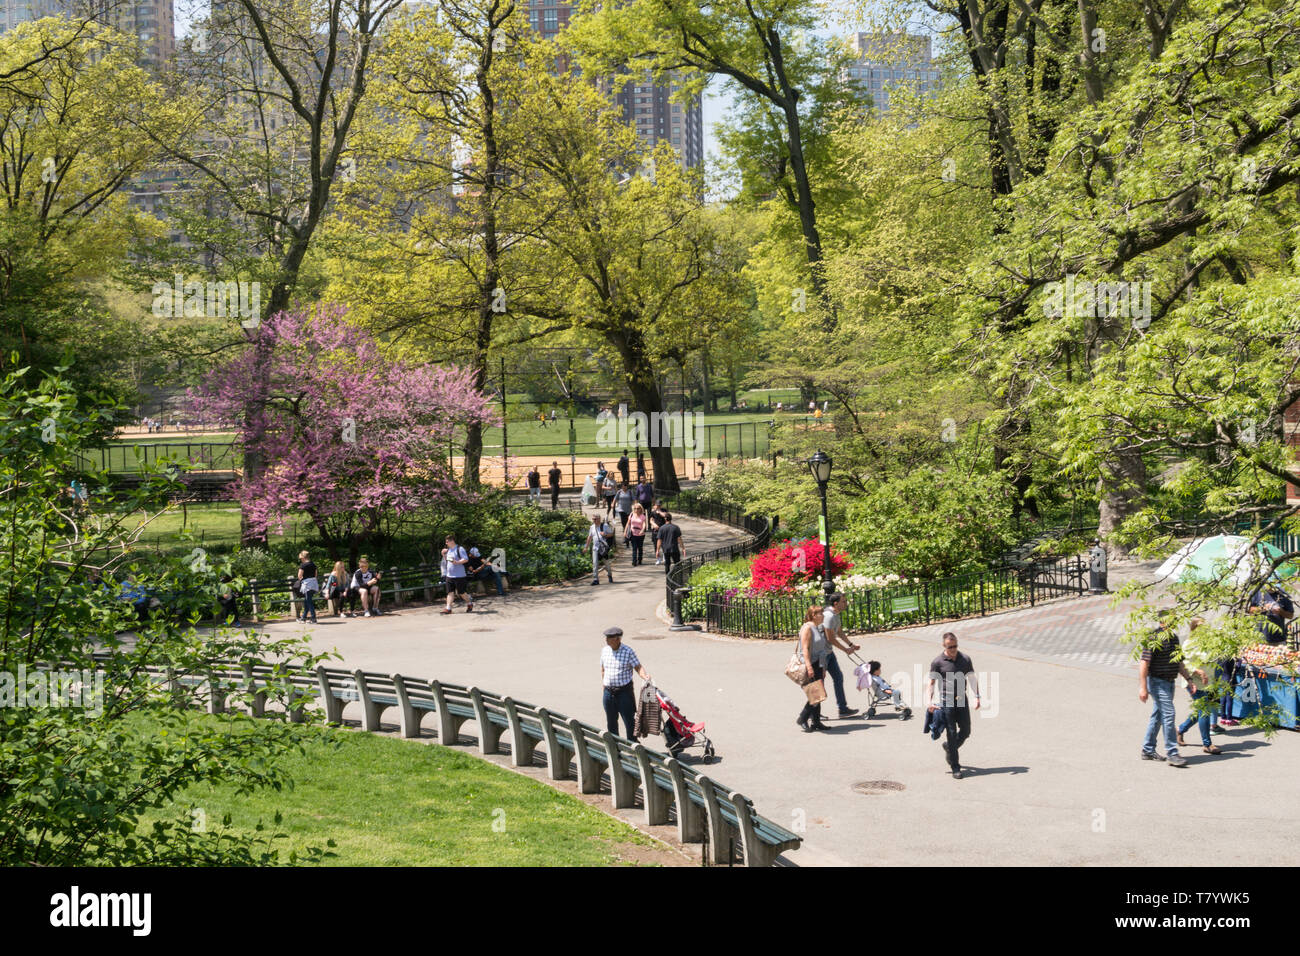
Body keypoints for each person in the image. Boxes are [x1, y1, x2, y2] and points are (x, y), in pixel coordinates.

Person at [1138, 611, 1195, 767]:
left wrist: (1188, 679)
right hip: (1157, 682)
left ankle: (1147, 749)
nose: (1172, 624)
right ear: (1162, 622)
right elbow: (1144, 664)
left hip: (1169, 682)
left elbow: (1179, 661)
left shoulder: (1174, 638)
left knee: (1158, 716)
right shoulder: (1153, 638)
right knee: (1169, 713)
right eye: (1169, 621)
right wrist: (1143, 687)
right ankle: (1172, 752)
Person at [928, 632, 981, 778]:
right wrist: (929, 701)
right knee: (951, 733)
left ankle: (950, 748)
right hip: (947, 701)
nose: (953, 649)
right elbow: (931, 683)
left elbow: (971, 678)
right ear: (944, 646)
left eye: (955, 646)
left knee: (966, 731)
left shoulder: (965, 659)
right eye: (950, 647)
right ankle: (955, 766)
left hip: (961, 698)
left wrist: (977, 696)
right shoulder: (937, 662)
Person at [1176, 619, 1223, 755]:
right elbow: (1184, 664)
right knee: (1205, 711)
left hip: (1209, 682)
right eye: (1201, 628)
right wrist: (1198, 671)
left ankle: (1181, 729)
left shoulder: (1209, 643)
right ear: (1194, 629)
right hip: (1194, 682)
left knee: (1200, 712)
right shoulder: (1189, 644)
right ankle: (1207, 744)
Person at [601, 627, 651, 738]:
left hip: (624, 692)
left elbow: (638, 667)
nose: (606, 640)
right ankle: (615, 749)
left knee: (630, 722)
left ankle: (633, 747)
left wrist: (644, 676)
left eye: (609, 637)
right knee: (611, 722)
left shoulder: (628, 651)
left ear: (617, 639)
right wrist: (604, 688)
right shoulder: (605, 650)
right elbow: (603, 669)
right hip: (608, 692)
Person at [821, 592, 860, 718]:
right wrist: (845, 650)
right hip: (820, 654)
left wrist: (851, 645)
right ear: (836, 603)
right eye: (843, 601)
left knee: (838, 677)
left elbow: (839, 632)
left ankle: (842, 709)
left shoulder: (836, 615)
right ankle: (814, 713)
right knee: (818, 683)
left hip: (828, 652)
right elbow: (830, 638)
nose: (846, 603)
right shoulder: (828, 616)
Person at [795, 606, 831, 732]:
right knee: (817, 694)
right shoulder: (807, 628)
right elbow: (804, 648)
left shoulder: (817, 627)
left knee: (817, 694)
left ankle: (816, 722)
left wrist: (823, 668)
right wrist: (809, 667)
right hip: (810, 663)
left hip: (818, 663)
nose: (823, 615)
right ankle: (803, 718)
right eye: (820, 613)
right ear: (813, 615)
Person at [440, 535, 472, 613]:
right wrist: (443, 554)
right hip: (449, 575)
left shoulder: (460, 549)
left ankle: (469, 603)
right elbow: (447, 560)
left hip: (459, 575)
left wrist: (457, 562)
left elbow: (466, 559)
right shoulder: (448, 550)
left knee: (462, 593)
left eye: (447, 541)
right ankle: (448, 608)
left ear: (452, 541)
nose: (446, 543)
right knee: (450, 592)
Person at [586, 513, 615, 585]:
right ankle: (596, 579)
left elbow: (611, 534)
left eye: (595, 519)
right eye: (593, 519)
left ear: (599, 519)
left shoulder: (604, 526)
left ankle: (609, 575)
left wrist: (605, 534)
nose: (594, 521)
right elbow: (589, 537)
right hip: (595, 548)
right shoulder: (592, 527)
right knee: (595, 563)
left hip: (603, 548)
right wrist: (586, 547)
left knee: (606, 563)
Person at [296, 550, 319, 624]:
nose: (301, 559)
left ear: (303, 558)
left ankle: (313, 618)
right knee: (307, 601)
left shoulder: (303, 565)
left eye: (301, 558)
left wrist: (303, 579)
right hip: (314, 584)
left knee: (309, 601)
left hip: (307, 584)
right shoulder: (313, 564)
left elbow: (299, 576)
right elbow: (315, 575)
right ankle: (303, 618)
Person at [657, 512, 683, 577]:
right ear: (671, 519)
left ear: (665, 519)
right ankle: (678, 576)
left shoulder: (662, 528)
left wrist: (657, 550)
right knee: (677, 563)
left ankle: (668, 577)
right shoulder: (676, 527)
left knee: (667, 563)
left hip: (666, 549)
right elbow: (679, 539)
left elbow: (659, 540)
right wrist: (683, 548)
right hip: (674, 548)